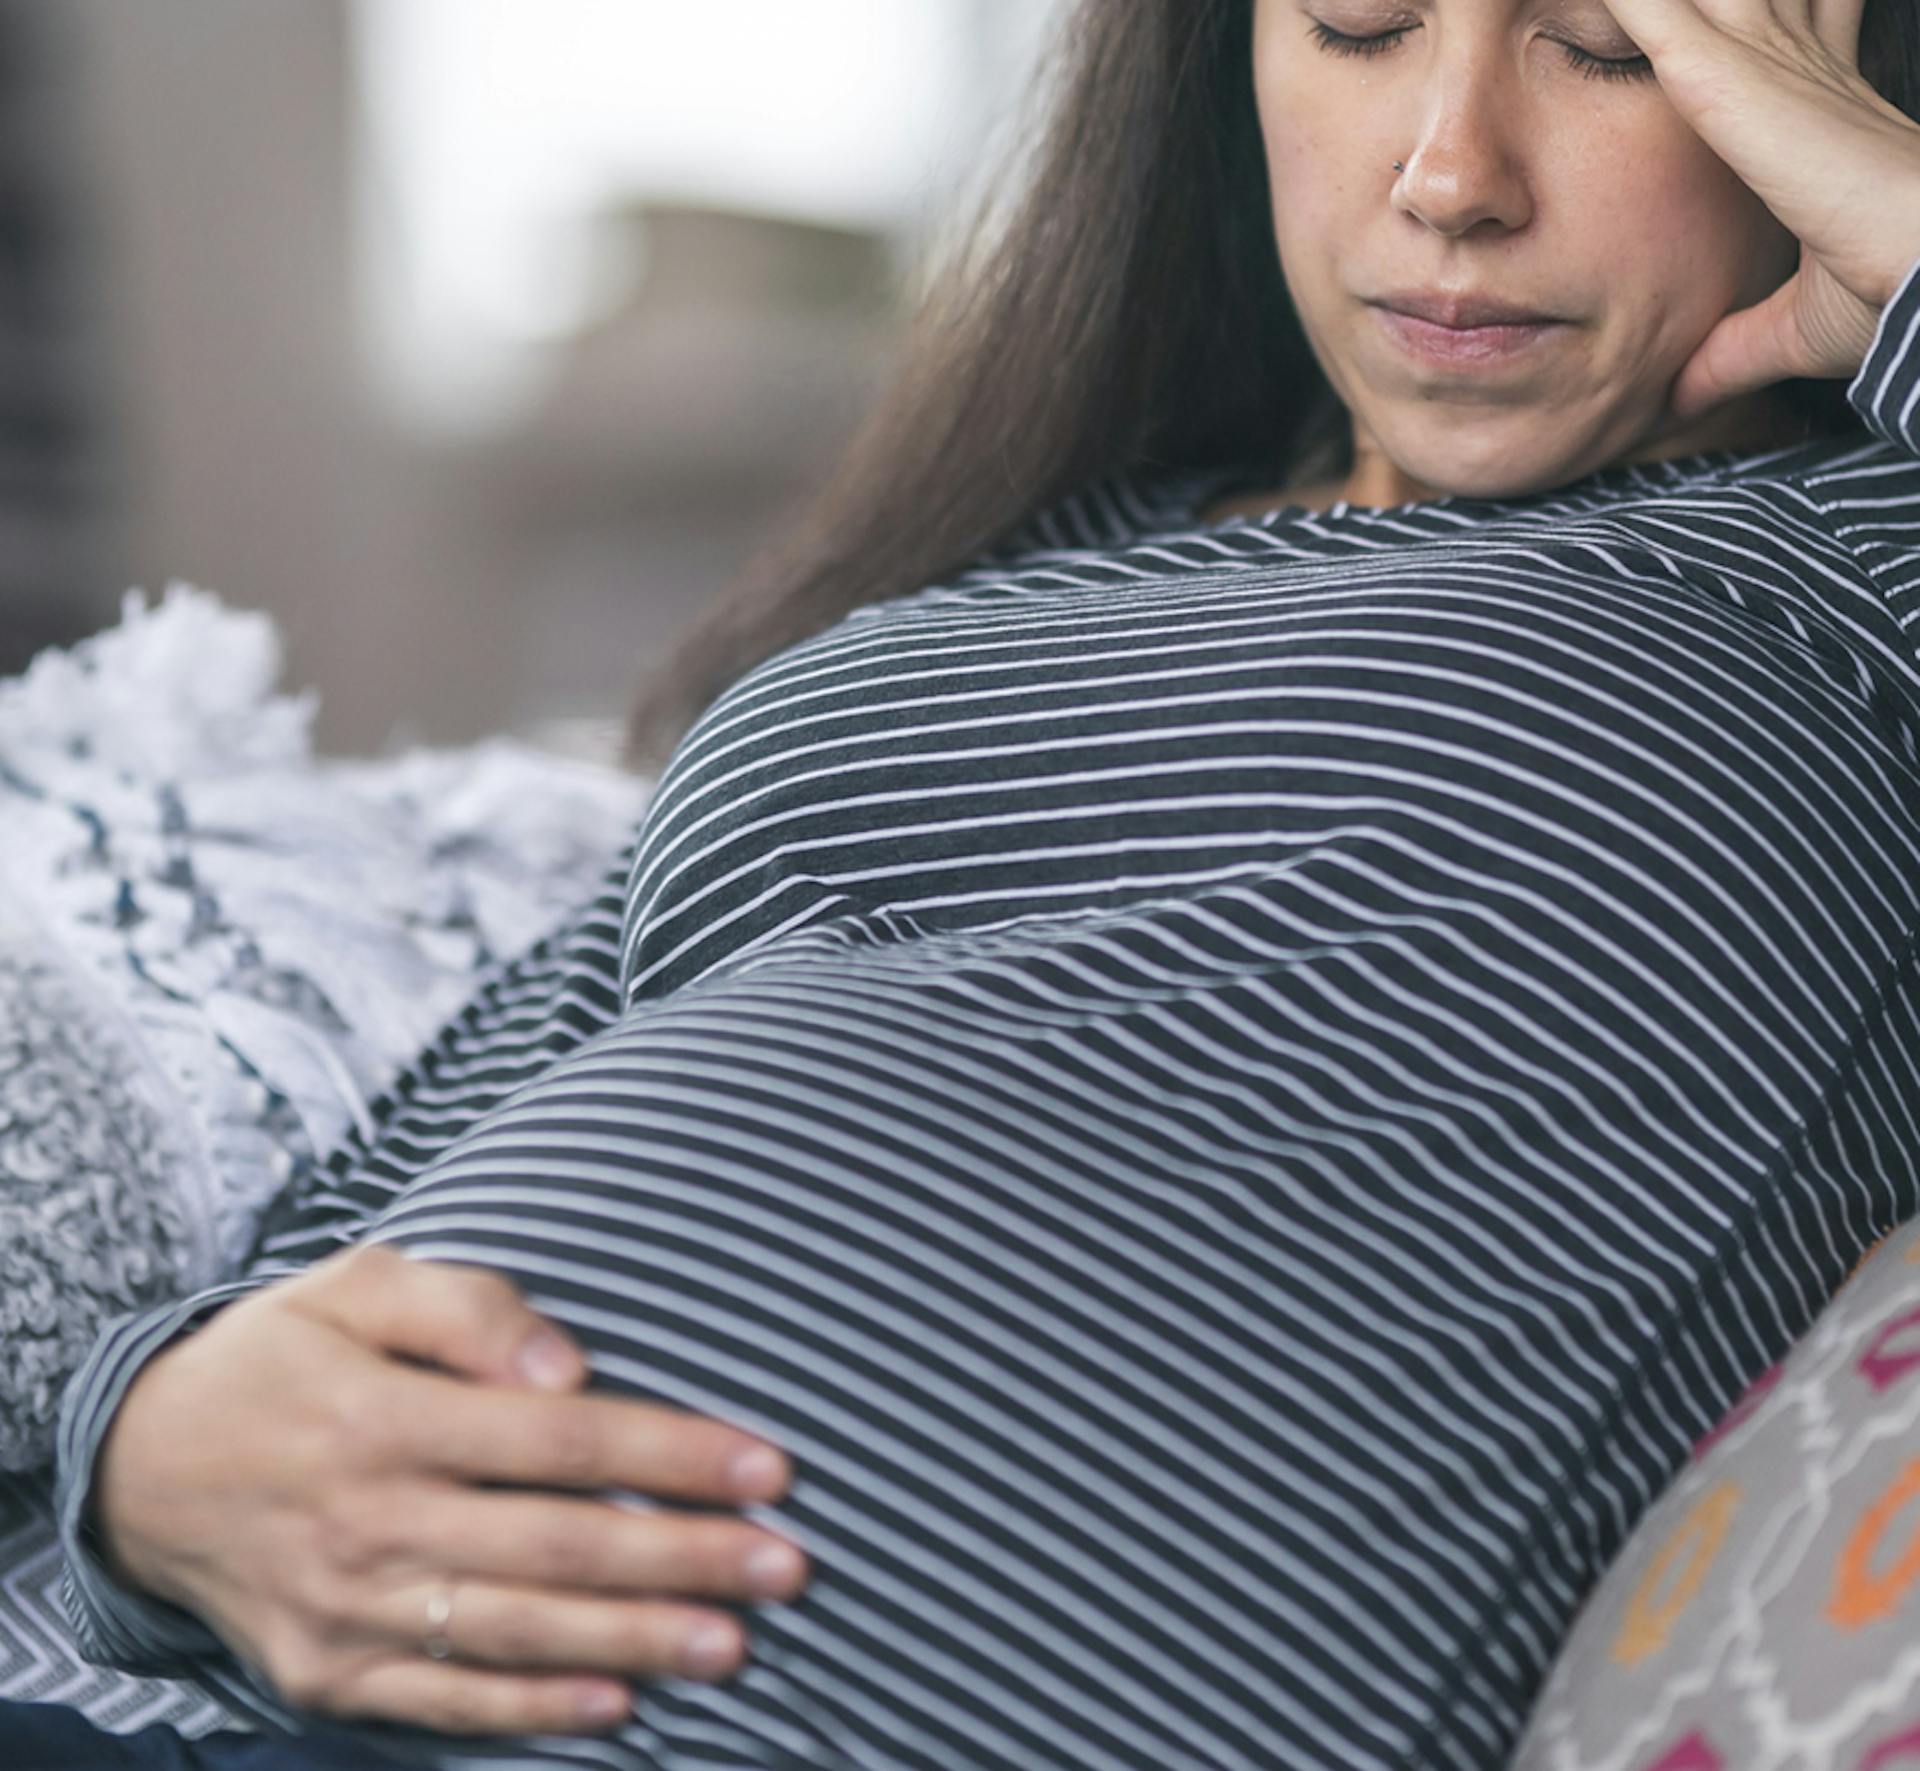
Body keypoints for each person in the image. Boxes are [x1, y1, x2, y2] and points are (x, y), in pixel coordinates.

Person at [42, 0, 1920, 1766]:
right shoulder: (1004, 585)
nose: (1449, 172)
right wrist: (149, 1457)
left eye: (1611, 49)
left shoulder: (1856, 593)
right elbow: (366, 1201)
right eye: (1354, 23)